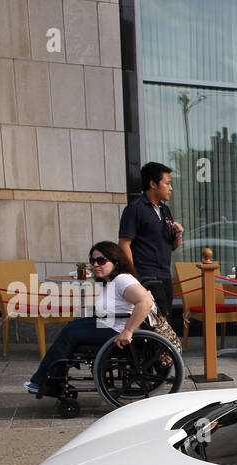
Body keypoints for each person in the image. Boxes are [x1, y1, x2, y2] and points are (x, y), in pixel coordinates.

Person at [24, 241, 154, 395]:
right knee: (71, 326)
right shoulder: (112, 281)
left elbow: (145, 302)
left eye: (101, 260)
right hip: (110, 324)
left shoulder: (122, 280)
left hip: (117, 330)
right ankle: (53, 378)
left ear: (115, 261)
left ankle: (45, 381)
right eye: (93, 261)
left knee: (69, 335)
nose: (96, 265)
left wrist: (128, 331)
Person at [118, 162, 182, 324]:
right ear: (153, 184)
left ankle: (166, 350)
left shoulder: (165, 210)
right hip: (147, 274)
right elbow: (124, 243)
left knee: (165, 320)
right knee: (154, 322)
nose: (170, 188)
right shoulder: (135, 208)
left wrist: (178, 235)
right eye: (167, 183)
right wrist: (134, 273)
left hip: (165, 274)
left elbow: (173, 246)